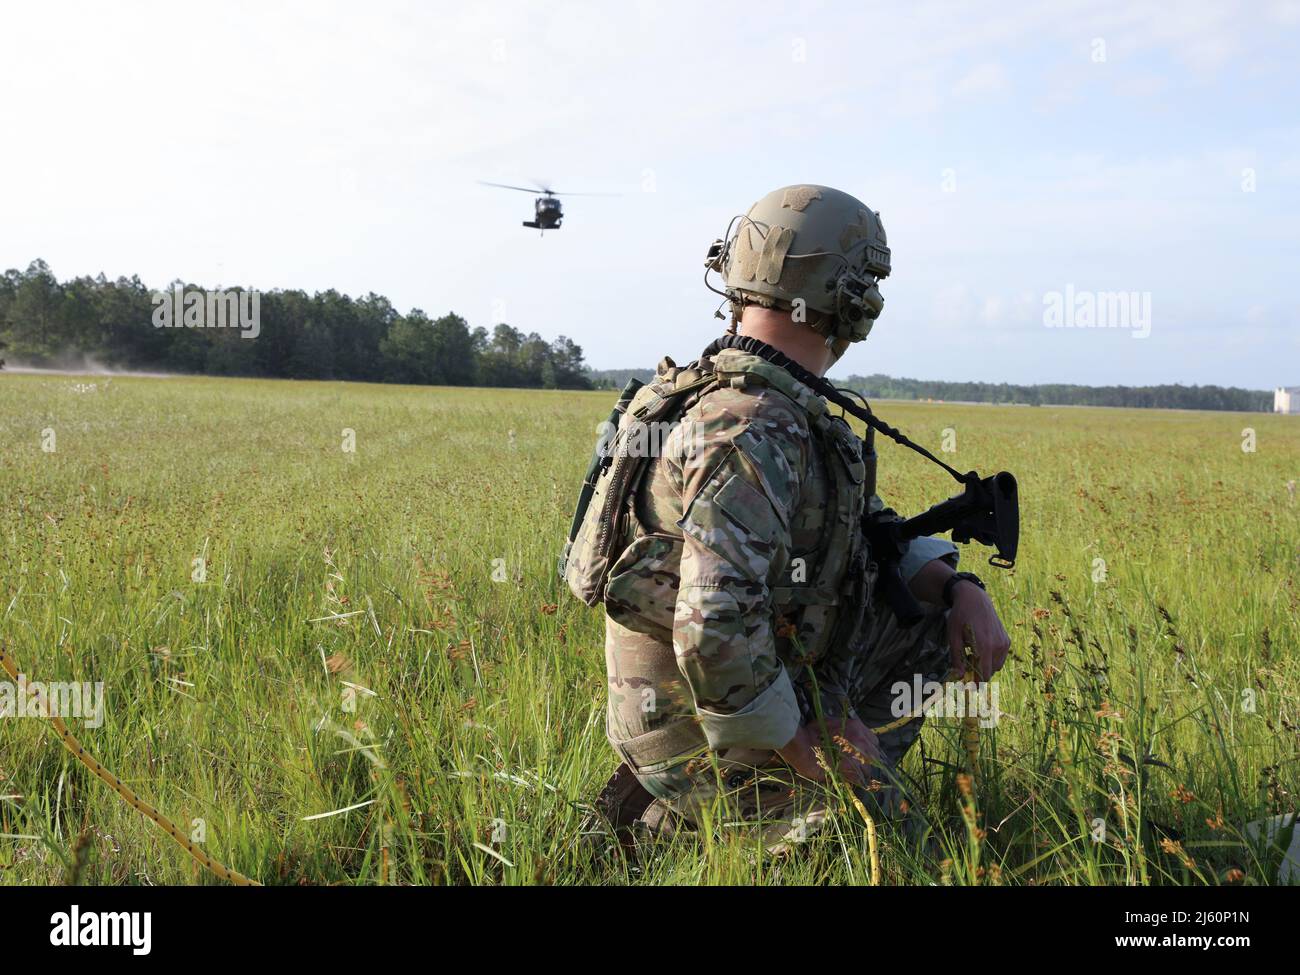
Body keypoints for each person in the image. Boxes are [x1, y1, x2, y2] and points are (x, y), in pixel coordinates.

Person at [580, 185, 1011, 850]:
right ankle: (752, 818)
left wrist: (960, 589)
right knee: (905, 846)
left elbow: (865, 528)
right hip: (689, 727)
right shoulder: (755, 429)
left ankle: (707, 800)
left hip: (677, 702)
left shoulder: (740, 395)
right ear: (851, 297)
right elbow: (712, 624)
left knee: (924, 619)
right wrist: (815, 748)